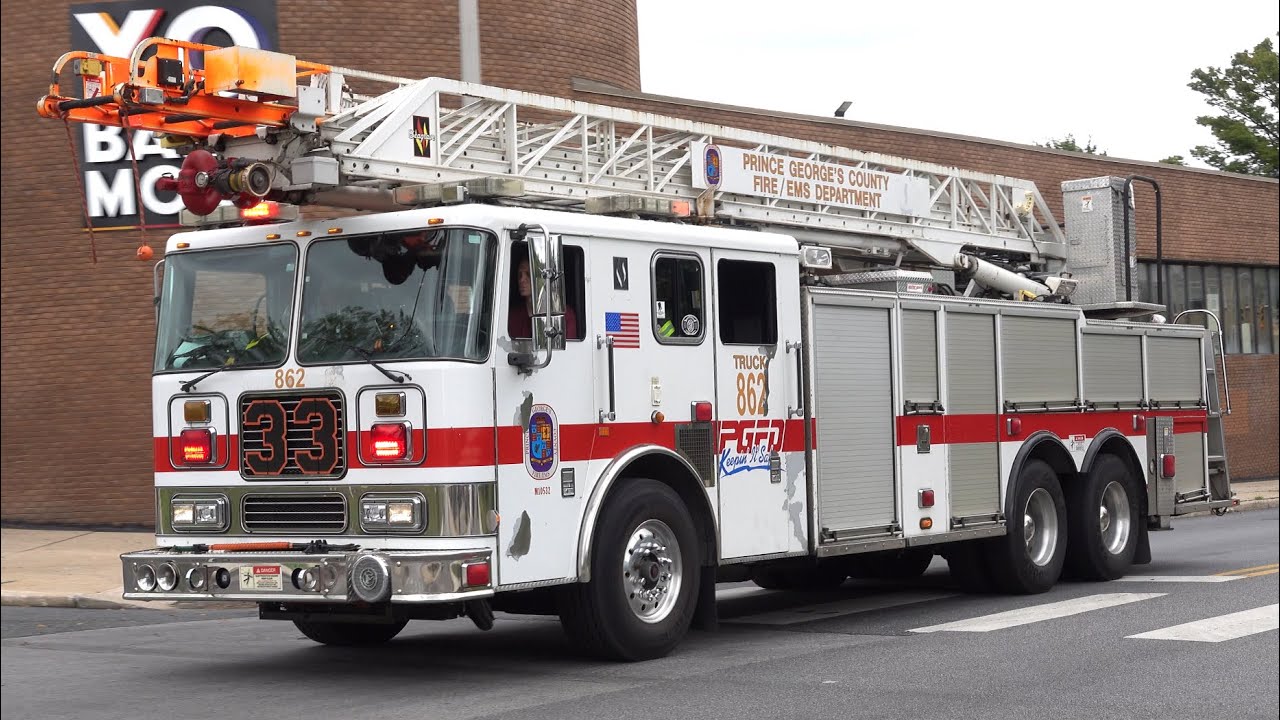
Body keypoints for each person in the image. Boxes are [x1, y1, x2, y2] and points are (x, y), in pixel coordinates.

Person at [509, 257, 577, 339]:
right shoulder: (514, 315)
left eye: (528, 274)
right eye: (519, 275)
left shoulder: (564, 314)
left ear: (543, 278)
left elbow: (570, 349)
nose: (522, 280)